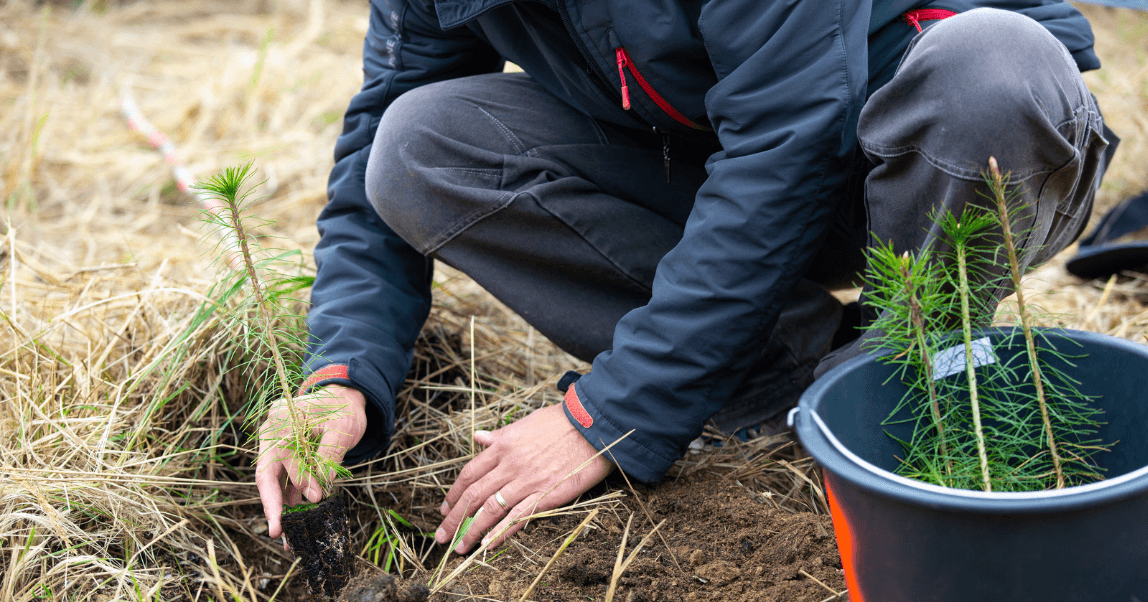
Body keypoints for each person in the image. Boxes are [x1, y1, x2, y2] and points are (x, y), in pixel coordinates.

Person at [256, 0, 1113, 555]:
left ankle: (902, 369)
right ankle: (788, 385)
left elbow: (792, 145)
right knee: (417, 145)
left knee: (993, 66)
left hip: (944, 154)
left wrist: (609, 415)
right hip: (717, 166)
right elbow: (372, 159)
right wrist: (341, 373)